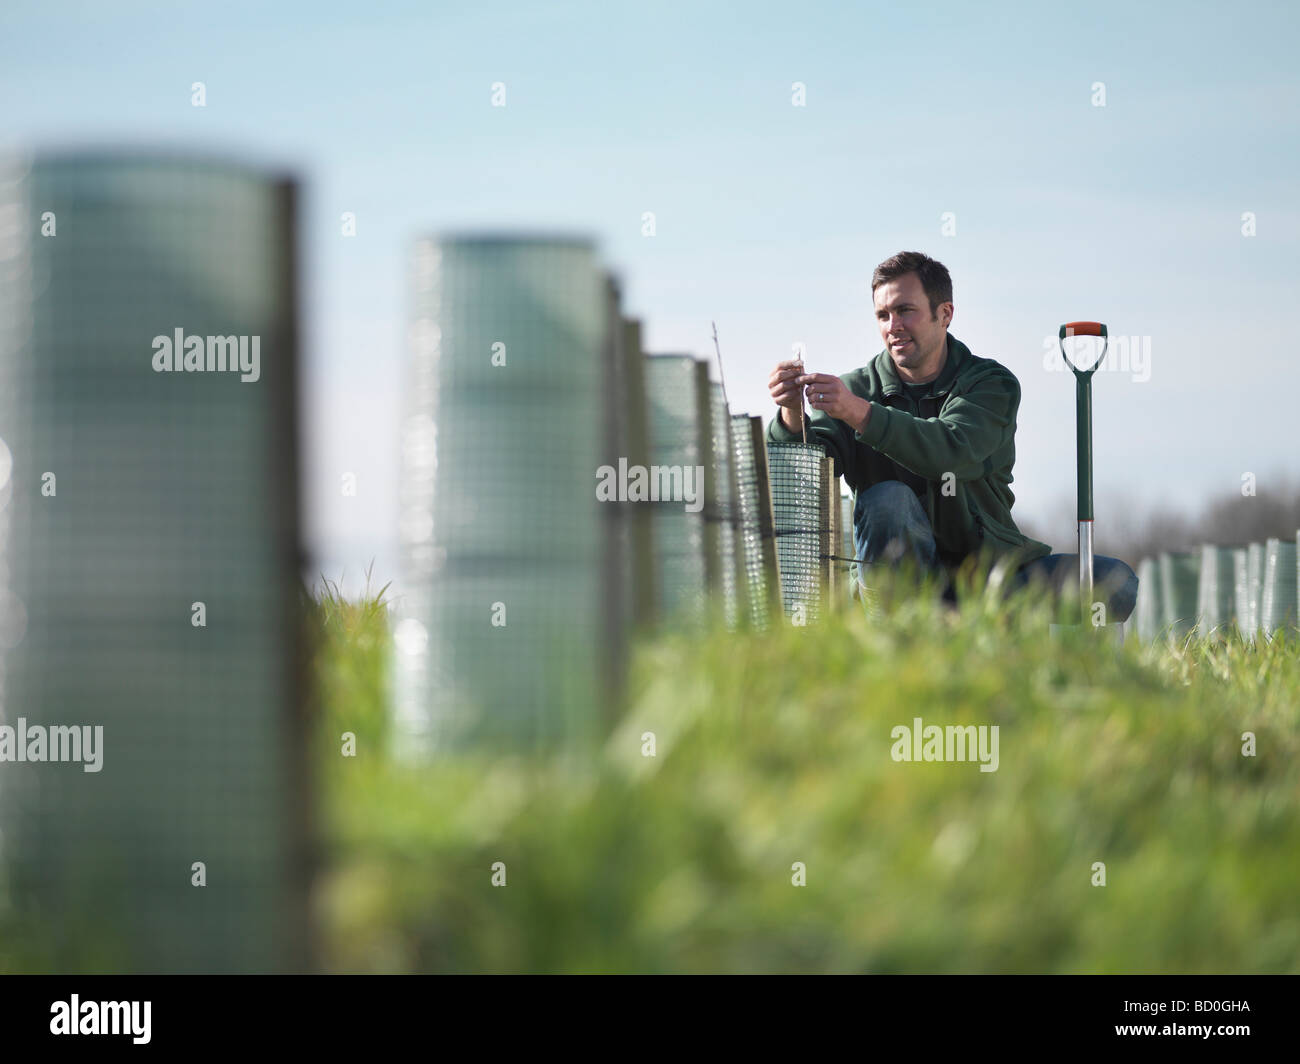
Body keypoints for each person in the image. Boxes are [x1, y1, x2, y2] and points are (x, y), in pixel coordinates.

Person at [765, 250, 1138, 623]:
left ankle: (977, 622)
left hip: (989, 574)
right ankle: (898, 635)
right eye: (883, 315)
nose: (892, 325)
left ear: (945, 314)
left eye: (905, 310)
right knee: (887, 500)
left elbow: (949, 450)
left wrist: (860, 413)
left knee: (1115, 582)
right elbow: (804, 479)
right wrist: (791, 416)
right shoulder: (856, 390)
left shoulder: (990, 385)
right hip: (897, 583)